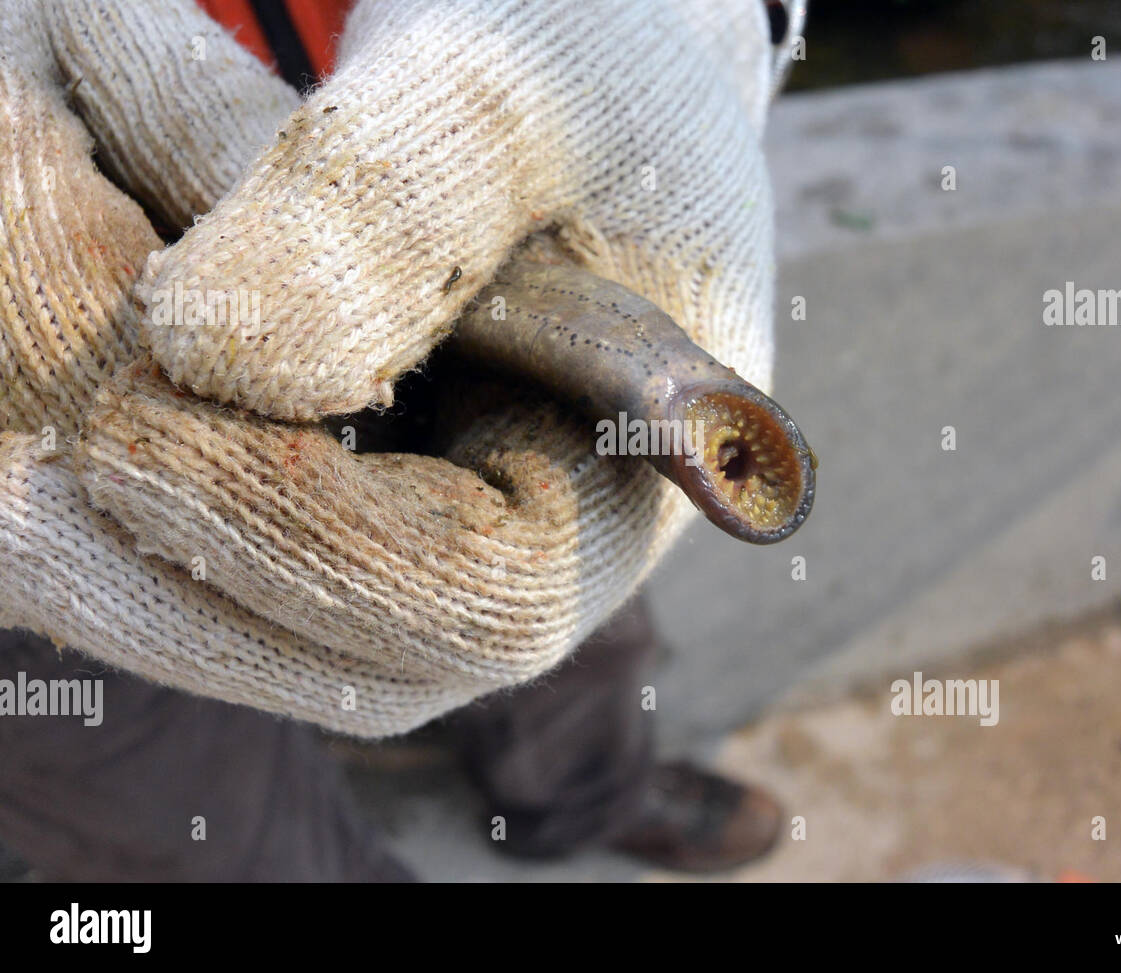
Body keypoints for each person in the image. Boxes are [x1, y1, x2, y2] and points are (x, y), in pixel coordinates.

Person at [0, 0, 803, 879]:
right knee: (199, 819)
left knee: (550, 597)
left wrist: (687, 27)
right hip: (68, 413)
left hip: (444, 218)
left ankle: (588, 794)